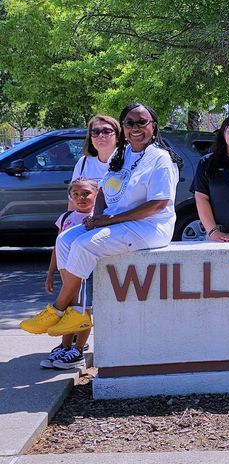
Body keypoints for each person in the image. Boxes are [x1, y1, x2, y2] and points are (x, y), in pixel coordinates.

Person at [20, 103, 182, 336]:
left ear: (153, 126)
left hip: (149, 227)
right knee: (65, 240)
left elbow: (158, 204)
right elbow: (104, 190)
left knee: (85, 244)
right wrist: (96, 217)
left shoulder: (160, 159)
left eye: (142, 122)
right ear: (124, 128)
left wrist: (111, 219)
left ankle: (58, 309)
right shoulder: (123, 154)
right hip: (116, 222)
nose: (136, 128)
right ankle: (78, 311)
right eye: (130, 123)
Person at [40, 178, 98, 369]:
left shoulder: (98, 218)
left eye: (86, 193)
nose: (81, 198)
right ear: (70, 197)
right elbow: (57, 247)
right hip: (67, 273)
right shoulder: (66, 218)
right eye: (76, 194)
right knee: (69, 309)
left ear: (97, 194)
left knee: (82, 309)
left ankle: (78, 350)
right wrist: (50, 273)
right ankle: (65, 346)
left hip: (85, 272)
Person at [72, 115, 120, 182]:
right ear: (91, 139)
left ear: (117, 137)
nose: (100, 135)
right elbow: (74, 188)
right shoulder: (83, 163)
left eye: (106, 131)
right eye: (95, 132)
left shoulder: (128, 161)